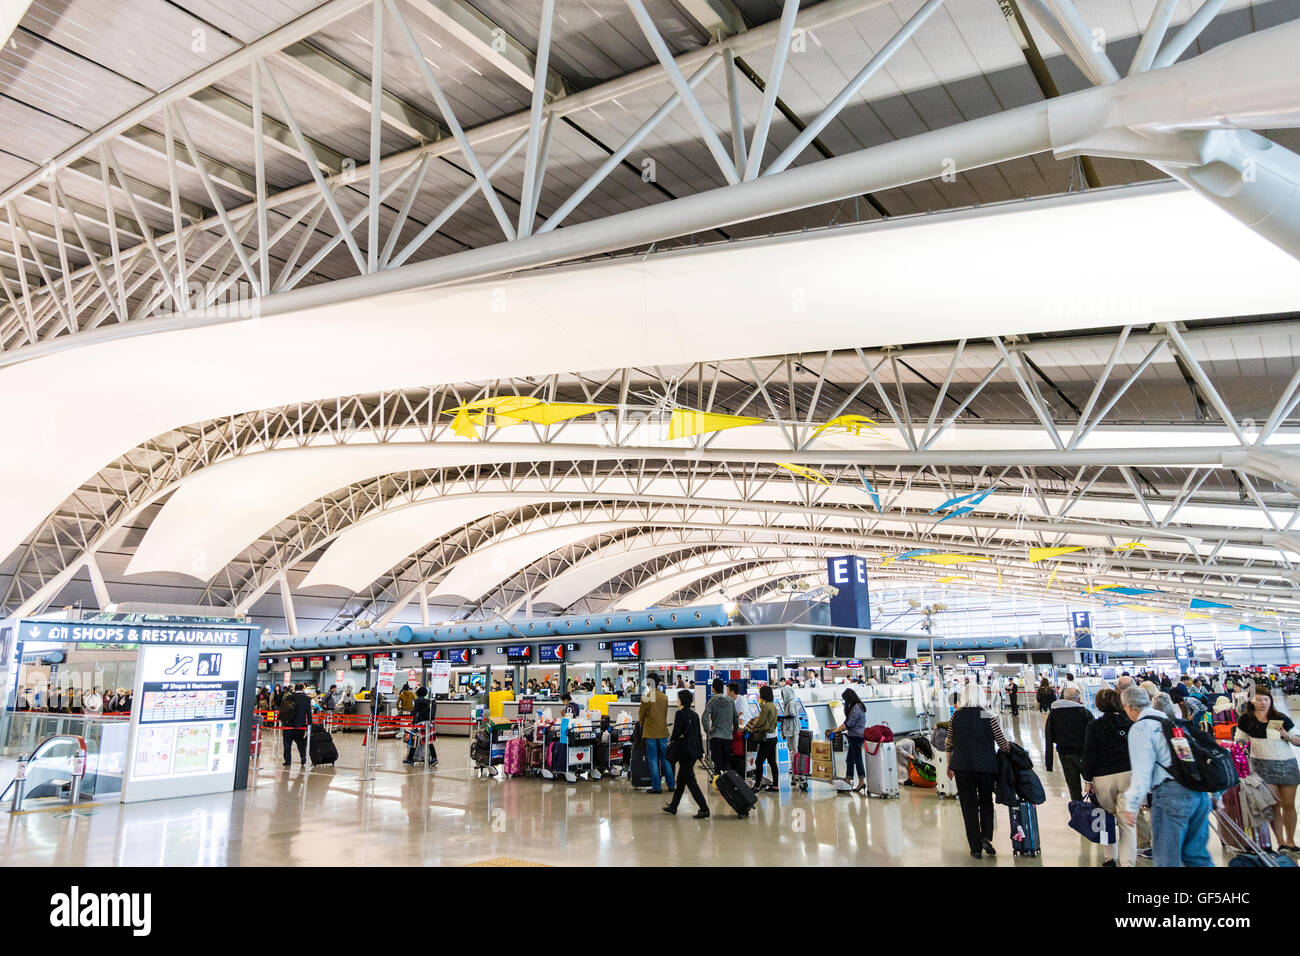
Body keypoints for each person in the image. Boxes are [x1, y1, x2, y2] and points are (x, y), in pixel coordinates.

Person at [1118, 685, 1213, 867]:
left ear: (1129, 707)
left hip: (1170, 796)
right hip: (1197, 792)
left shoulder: (1141, 728)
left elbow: (1142, 771)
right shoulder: (1171, 721)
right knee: (1197, 856)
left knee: (1167, 859)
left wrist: (1131, 804)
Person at [945, 683, 1011, 859]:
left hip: (962, 767)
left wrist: (949, 765)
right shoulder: (987, 715)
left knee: (969, 806)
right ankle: (986, 838)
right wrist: (1011, 750)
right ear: (981, 696)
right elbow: (1002, 743)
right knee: (986, 802)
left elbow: (948, 743)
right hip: (986, 766)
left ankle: (974, 847)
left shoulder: (956, 716)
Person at [1083, 688, 1143, 867]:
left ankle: (1110, 858)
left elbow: (1089, 754)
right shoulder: (1131, 723)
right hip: (1129, 775)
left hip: (1103, 778)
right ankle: (1128, 863)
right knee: (1127, 824)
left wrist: (1087, 781)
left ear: (1099, 705)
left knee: (1106, 818)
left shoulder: (1094, 725)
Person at [1235, 686, 1299, 851]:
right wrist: (1241, 746)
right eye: (1259, 700)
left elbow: (1298, 739)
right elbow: (1239, 739)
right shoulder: (1246, 720)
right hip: (1261, 767)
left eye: (1266, 700)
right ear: (1252, 701)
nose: (1263, 703)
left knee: (1288, 804)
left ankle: (1291, 841)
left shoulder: (1280, 717)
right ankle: (1281, 843)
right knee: (1273, 805)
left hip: (1286, 765)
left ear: (1271, 700)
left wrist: (1287, 736)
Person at [663, 689, 709, 818]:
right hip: (693, 751)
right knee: (681, 780)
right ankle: (673, 806)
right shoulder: (694, 715)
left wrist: (671, 739)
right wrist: (701, 752)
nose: (677, 700)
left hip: (684, 751)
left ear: (682, 700)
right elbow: (698, 735)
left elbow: (677, 732)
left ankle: (704, 808)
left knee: (690, 781)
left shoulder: (679, 714)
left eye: (678, 698)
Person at [1044, 686, 1091, 802]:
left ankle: (1077, 812)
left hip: (1064, 753)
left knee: (1073, 786)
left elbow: (1050, 734)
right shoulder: (1083, 712)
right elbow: (1094, 734)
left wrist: (1049, 762)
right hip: (1083, 753)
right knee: (1091, 783)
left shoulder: (1054, 713)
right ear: (1078, 699)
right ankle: (1097, 811)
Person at [636, 682, 674, 795]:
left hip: (650, 733)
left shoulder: (647, 697)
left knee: (653, 760)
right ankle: (671, 785)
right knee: (665, 759)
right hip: (662, 732)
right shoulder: (664, 697)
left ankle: (657, 787)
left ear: (649, 684)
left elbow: (641, 715)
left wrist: (642, 723)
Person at [827, 688, 867, 793]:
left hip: (856, 737)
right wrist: (836, 729)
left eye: (846, 700)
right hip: (854, 737)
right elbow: (846, 722)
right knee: (849, 759)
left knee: (857, 760)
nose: (846, 702)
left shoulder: (857, 708)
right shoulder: (855, 707)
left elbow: (849, 724)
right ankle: (848, 780)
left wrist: (836, 731)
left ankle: (861, 782)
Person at [746, 685, 780, 792]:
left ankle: (757, 786)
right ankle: (775, 785)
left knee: (758, 762)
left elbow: (761, 721)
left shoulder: (765, 706)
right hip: (773, 736)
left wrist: (754, 725)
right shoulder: (773, 706)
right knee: (772, 761)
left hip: (766, 738)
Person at [702, 678, 738, 776]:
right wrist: (734, 731)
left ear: (713, 688)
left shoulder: (711, 701)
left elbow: (704, 718)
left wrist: (708, 731)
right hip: (728, 736)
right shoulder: (731, 701)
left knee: (717, 762)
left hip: (716, 736)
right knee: (727, 761)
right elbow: (736, 718)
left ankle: (718, 783)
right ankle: (728, 782)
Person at [403, 687, 438, 767]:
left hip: (420, 723)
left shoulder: (418, 700)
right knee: (428, 741)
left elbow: (416, 712)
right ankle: (434, 758)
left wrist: (413, 723)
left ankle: (410, 759)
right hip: (429, 723)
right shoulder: (428, 701)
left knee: (414, 740)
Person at [281, 683, 311, 767]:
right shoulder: (306, 699)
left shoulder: (289, 697)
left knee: (287, 743)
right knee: (300, 743)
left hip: (288, 724)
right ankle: (303, 757)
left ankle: (287, 761)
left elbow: (283, 709)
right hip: (300, 725)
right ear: (302, 689)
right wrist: (309, 724)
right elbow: (309, 713)